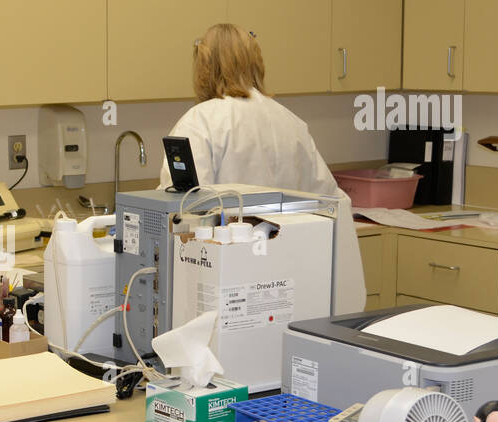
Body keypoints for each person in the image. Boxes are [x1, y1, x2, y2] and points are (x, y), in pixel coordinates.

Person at [157, 23, 366, 311]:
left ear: (204, 66)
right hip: (287, 279)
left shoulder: (200, 122)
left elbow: (182, 212)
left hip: (227, 282)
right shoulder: (291, 122)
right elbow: (332, 202)